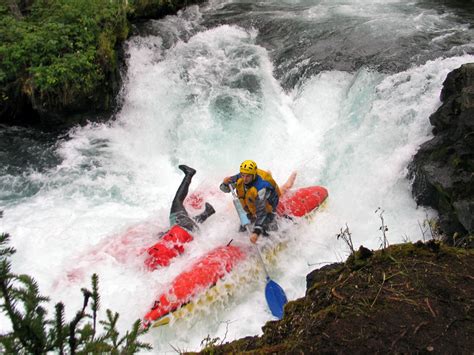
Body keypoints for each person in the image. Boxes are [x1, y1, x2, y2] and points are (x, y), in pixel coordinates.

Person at [145, 164, 215, 270]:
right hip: (182, 225)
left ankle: (207, 213)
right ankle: (189, 174)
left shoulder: (169, 259)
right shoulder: (158, 250)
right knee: (178, 201)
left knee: (187, 224)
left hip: (193, 232)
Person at [220, 160, 295, 244]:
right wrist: (225, 183)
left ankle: (290, 179)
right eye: (243, 175)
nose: (244, 179)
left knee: (269, 232)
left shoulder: (261, 189)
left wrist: (256, 232)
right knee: (242, 230)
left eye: (248, 176)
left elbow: (262, 212)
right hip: (252, 205)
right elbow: (225, 189)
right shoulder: (240, 176)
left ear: (254, 175)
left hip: (267, 207)